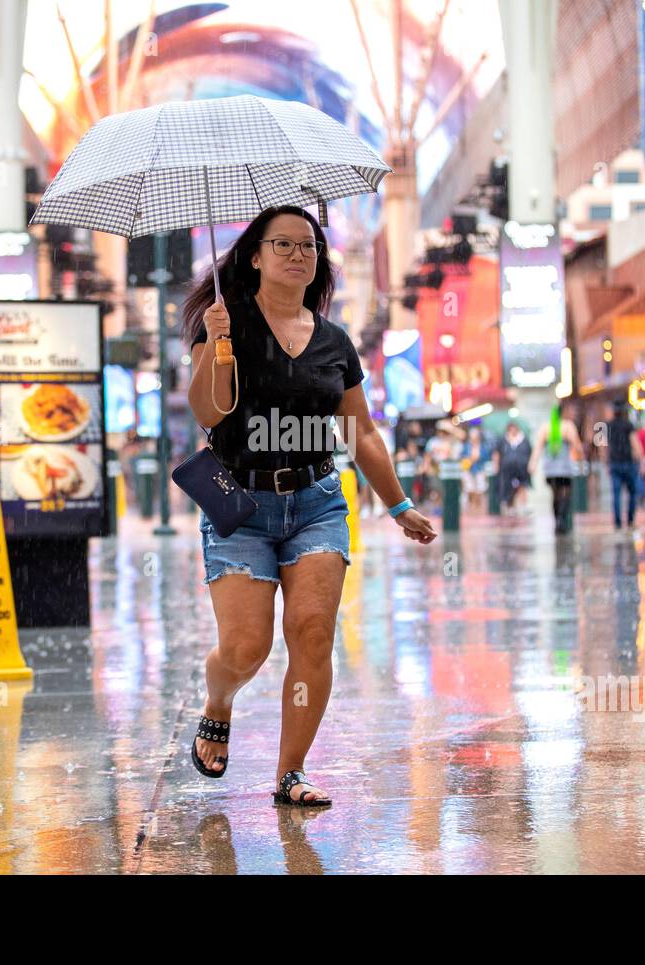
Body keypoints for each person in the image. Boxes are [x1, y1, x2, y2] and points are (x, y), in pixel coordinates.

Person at [184, 205, 437, 807]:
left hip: (317, 500)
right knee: (247, 648)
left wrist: (398, 504)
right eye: (284, 244)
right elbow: (207, 414)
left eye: (309, 246)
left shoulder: (334, 342)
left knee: (314, 632)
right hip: (240, 502)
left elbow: (362, 433)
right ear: (254, 254)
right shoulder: (226, 324)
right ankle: (218, 701)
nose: (299, 255)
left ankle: (290, 773)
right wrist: (217, 346)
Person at [528, 402, 585, 535]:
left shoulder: (546, 427)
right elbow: (577, 445)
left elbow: (538, 447)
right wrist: (582, 461)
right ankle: (561, 519)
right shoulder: (568, 427)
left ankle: (557, 520)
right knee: (565, 493)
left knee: (555, 494)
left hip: (550, 469)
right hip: (565, 468)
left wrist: (533, 464)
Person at [606, 400, 643, 530]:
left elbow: (600, 446)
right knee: (632, 493)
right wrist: (641, 462)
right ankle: (630, 520)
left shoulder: (606, 425)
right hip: (628, 463)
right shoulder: (629, 425)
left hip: (614, 463)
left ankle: (617, 523)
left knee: (616, 494)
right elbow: (635, 444)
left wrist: (605, 462)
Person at [495, 422, 532, 516]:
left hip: (522, 468)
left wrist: (531, 465)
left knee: (522, 487)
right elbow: (497, 453)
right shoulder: (503, 439)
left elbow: (530, 452)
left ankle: (524, 506)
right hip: (507, 469)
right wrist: (496, 465)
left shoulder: (524, 439)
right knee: (509, 488)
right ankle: (510, 506)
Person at [461, 425, 491, 513]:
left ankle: (478, 506)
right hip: (468, 470)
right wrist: (470, 459)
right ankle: (472, 505)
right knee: (470, 488)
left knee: (480, 489)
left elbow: (486, 457)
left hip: (480, 470)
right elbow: (462, 457)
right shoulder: (466, 446)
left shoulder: (483, 446)